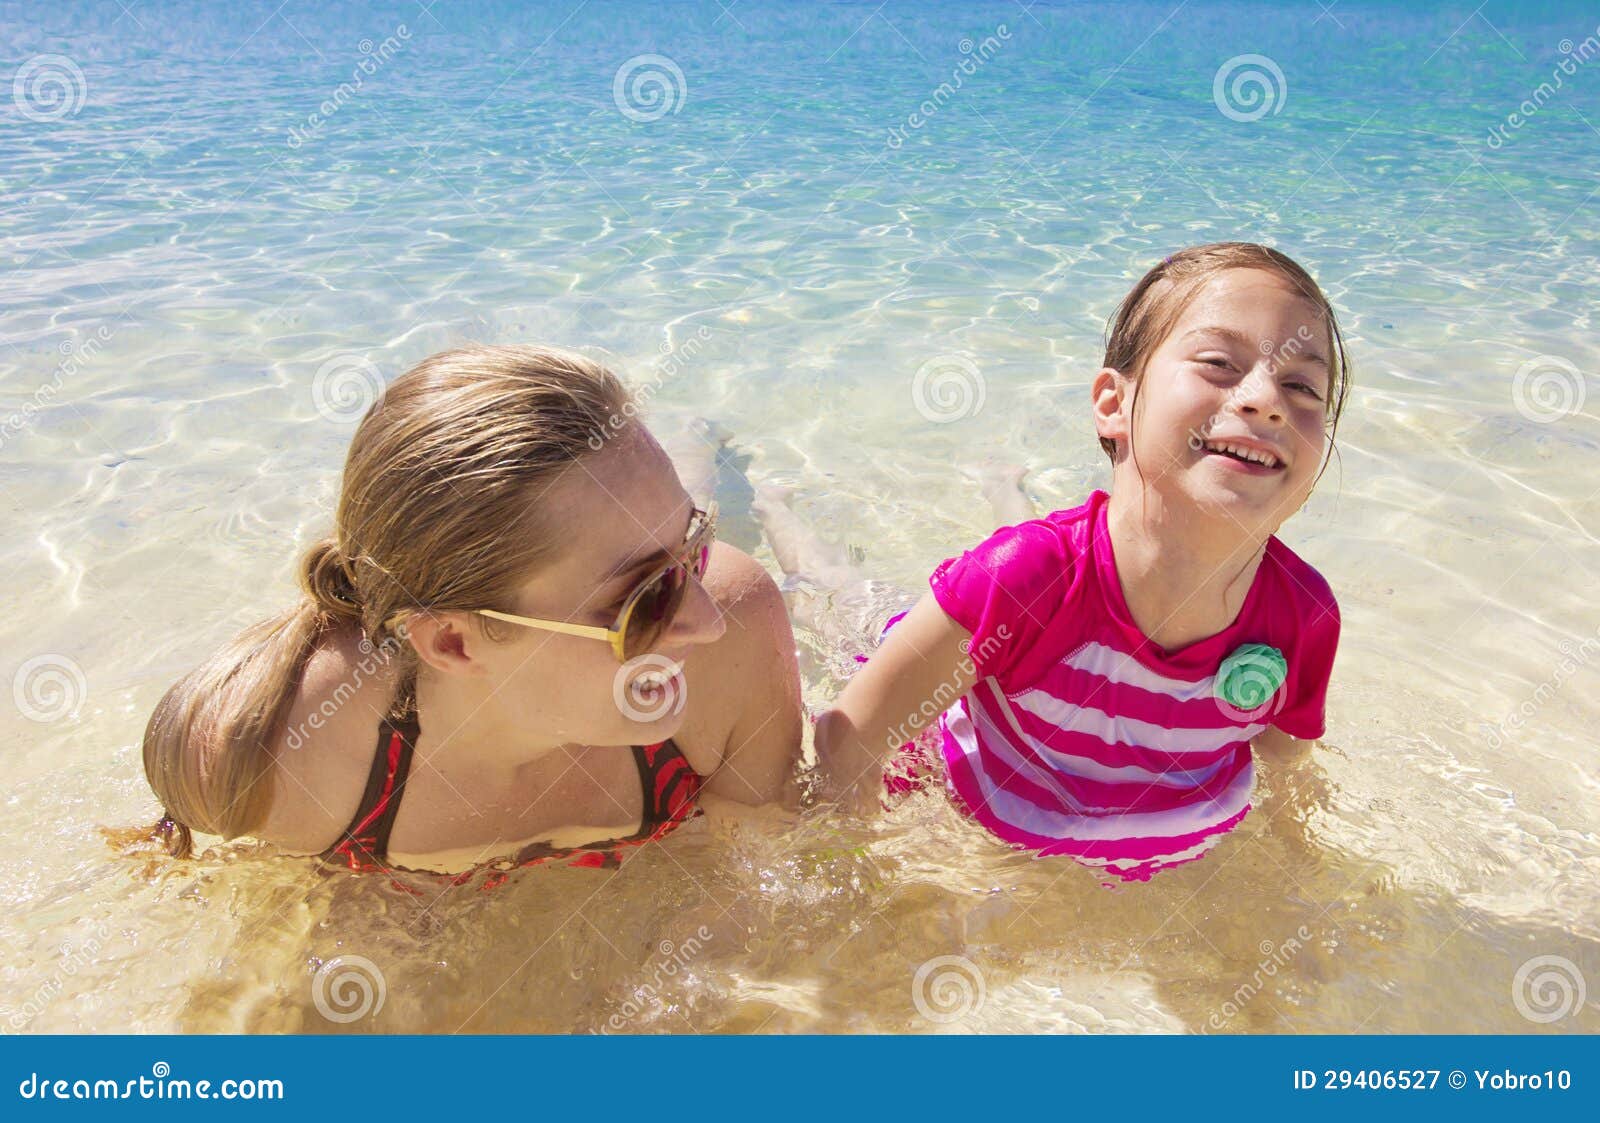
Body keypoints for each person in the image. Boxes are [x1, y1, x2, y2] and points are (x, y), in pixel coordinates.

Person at [140, 344, 803, 888]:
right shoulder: (279, 760)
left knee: (675, 507)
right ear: (454, 642)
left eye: (697, 548)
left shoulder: (736, 631)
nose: (709, 619)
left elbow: (749, 873)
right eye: (647, 601)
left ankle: (700, 455)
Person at [795, 242, 1348, 883]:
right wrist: (871, 878)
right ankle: (781, 506)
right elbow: (850, 738)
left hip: (1035, 626)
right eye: (1220, 363)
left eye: (1303, 385)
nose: (1266, 399)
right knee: (837, 594)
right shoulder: (1019, 579)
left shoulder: (1303, 617)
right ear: (1113, 405)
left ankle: (1003, 482)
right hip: (971, 689)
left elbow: (1287, 771)